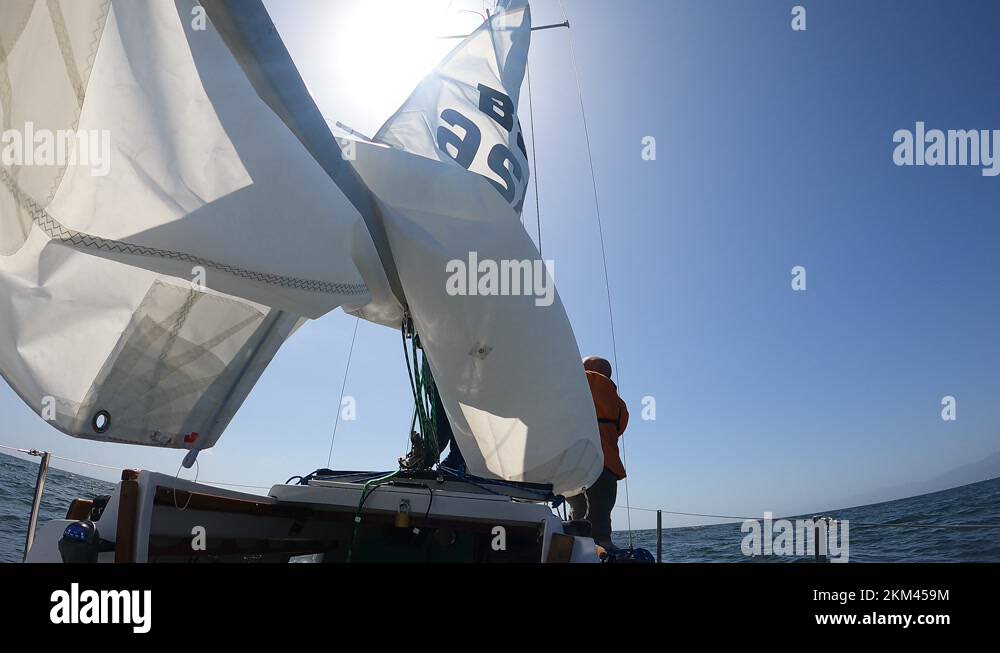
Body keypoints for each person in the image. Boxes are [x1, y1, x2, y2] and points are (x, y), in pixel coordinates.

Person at [568, 356, 629, 550]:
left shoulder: (585, 382)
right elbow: (619, 429)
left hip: (587, 469)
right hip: (607, 472)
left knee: (587, 535)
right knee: (600, 528)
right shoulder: (620, 405)